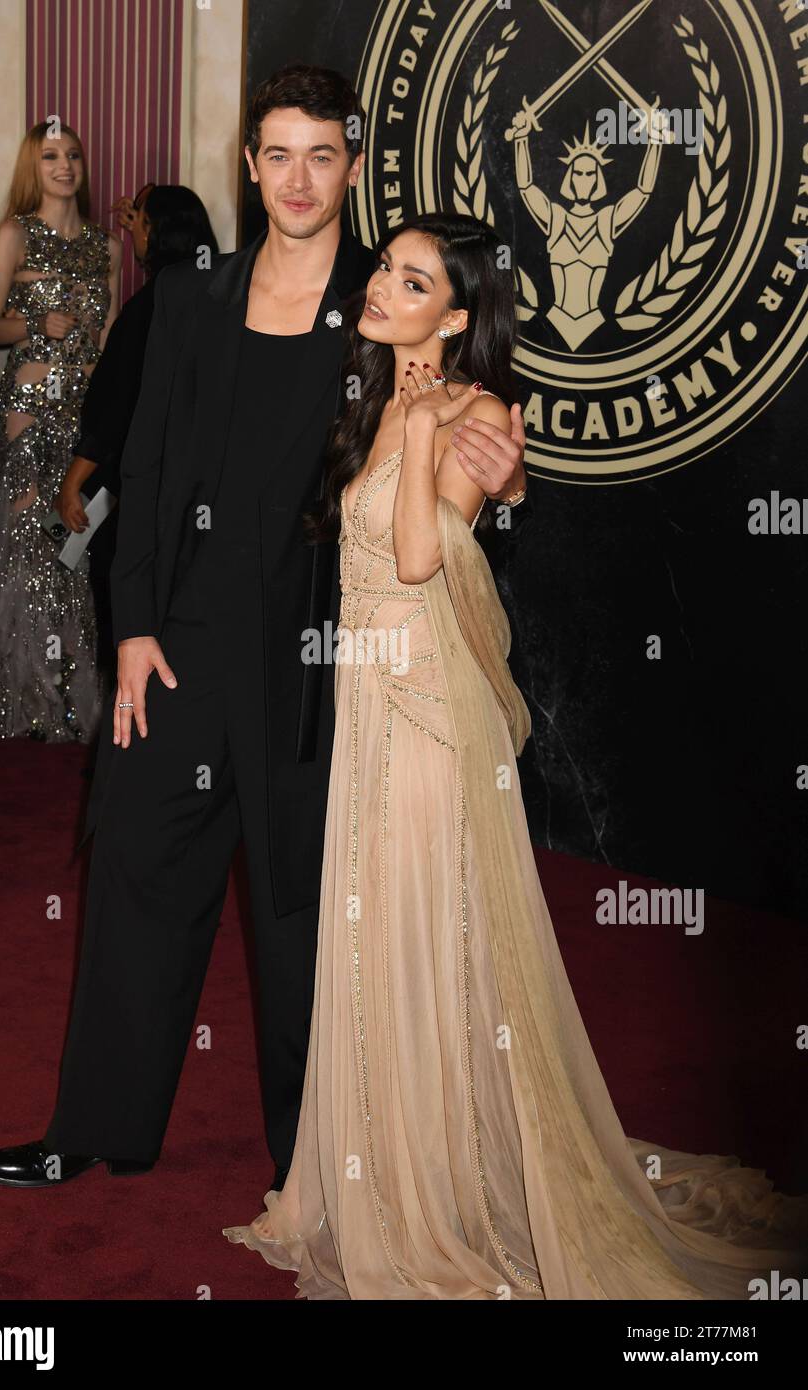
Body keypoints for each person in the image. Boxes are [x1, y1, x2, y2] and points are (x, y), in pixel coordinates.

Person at [221, 212, 808, 1299]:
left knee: (430, 938)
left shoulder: (476, 412)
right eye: (385, 268)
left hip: (431, 710)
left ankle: (446, 1189)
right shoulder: (371, 393)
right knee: (374, 937)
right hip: (367, 701)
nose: (382, 287)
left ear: (455, 317)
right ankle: (377, 1172)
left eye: (413, 282)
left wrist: (428, 437)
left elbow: (414, 557)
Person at [0, 66, 528, 1192]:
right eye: (277, 155)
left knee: (303, 917)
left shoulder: (382, 299)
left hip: (321, 660)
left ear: (352, 166)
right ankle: (95, 1126)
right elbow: (144, 467)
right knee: (135, 864)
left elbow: (463, 407)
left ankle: (314, 1163)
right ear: (249, 165)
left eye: (321, 155)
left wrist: (508, 480)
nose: (298, 179)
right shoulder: (192, 295)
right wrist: (133, 627)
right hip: (180, 642)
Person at [0, 122, 122, 742]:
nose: (65, 166)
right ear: (33, 166)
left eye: (74, 155)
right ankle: (28, 694)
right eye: (51, 156)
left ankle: (76, 696)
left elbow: (109, 341)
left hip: (85, 412)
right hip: (30, 408)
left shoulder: (107, 247)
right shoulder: (14, 233)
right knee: (31, 546)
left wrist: (111, 414)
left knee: (76, 546)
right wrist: (34, 324)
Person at [56, 185, 218, 688]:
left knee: (126, 614)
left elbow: (115, 407)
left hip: (142, 492)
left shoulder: (151, 307)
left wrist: (72, 482)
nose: (133, 230)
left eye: (141, 221)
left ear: (155, 231)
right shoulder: (224, 295)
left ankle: (125, 710)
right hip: (204, 494)